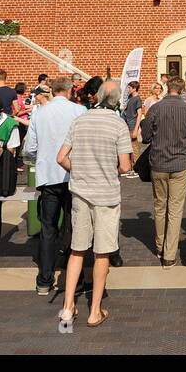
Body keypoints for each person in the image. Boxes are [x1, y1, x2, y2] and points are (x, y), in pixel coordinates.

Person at [56, 85, 133, 328]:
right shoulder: (118, 124)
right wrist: (109, 171)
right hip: (106, 195)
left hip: (80, 192)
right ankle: (95, 310)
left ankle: (68, 306)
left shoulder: (80, 120)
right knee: (102, 252)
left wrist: (78, 170)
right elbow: (125, 165)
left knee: (77, 250)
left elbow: (61, 157)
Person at [23, 76, 86, 295]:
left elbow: (30, 147)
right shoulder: (79, 111)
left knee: (48, 227)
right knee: (73, 225)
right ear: (69, 91)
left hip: (49, 175)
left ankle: (45, 278)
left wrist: (38, 157)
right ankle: (75, 278)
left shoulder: (40, 112)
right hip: (73, 174)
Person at [139, 76, 186, 266]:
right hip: (180, 163)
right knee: (175, 209)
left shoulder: (156, 108)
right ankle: (169, 254)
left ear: (167, 88)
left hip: (158, 162)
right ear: (181, 91)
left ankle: (159, 246)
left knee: (159, 206)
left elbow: (146, 137)